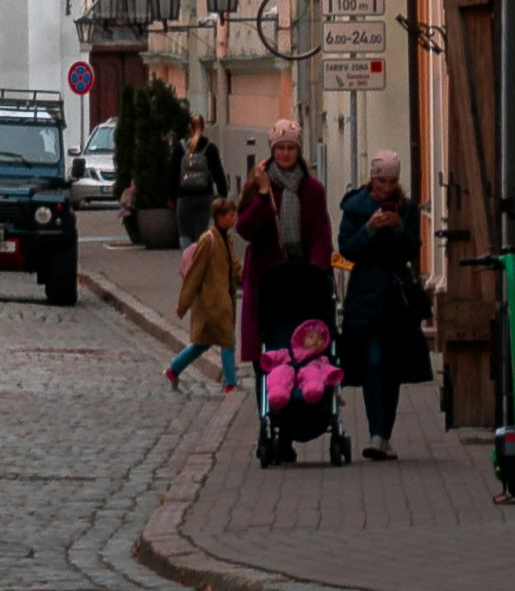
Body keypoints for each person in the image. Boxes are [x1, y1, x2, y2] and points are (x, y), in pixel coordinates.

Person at [336, 153, 428, 458]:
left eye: (391, 182)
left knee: (392, 367)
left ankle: (384, 435)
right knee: (373, 362)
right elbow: (347, 249)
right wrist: (370, 229)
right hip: (365, 295)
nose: (386, 188)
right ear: (372, 178)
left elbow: (412, 249)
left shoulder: (407, 208)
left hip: (396, 297)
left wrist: (398, 226)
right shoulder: (355, 207)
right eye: (381, 181)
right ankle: (376, 433)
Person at [234, 125, 334, 367]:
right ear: (272, 150)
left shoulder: (312, 189)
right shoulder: (257, 185)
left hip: (302, 276)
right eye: (280, 148)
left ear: (298, 151)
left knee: (305, 343)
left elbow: (321, 235)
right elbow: (245, 229)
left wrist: (315, 272)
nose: (286, 153)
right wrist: (262, 195)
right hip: (267, 276)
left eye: (291, 148)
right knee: (268, 348)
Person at [165, 206, 237, 394]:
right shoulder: (209, 240)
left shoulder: (226, 239)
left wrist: (247, 278)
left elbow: (233, 267)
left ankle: (174, 369)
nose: (234, 218)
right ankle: (230, 384)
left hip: (221, 300)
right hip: (211, 302)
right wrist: (184, 303)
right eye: (231, 215)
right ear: (220, 217)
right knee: (227, 339)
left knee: (203, 343)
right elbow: (195, 274)